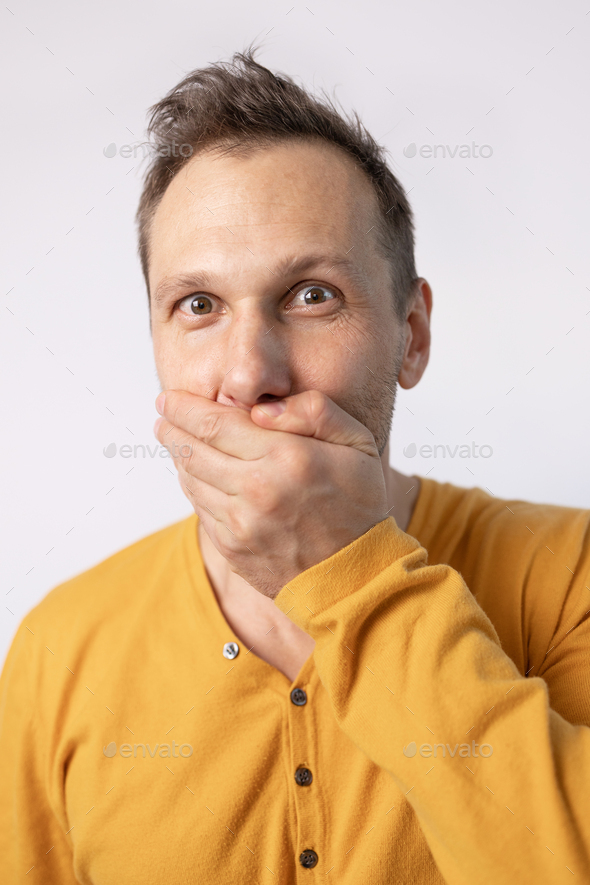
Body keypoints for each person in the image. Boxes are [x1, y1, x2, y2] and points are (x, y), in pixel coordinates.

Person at [1, 49, 589, 885]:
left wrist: (353, 573)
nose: (248, 374)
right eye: (198, 305)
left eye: (312, 294)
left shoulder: (569, 577)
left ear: (411, 335)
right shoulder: (58, 650)